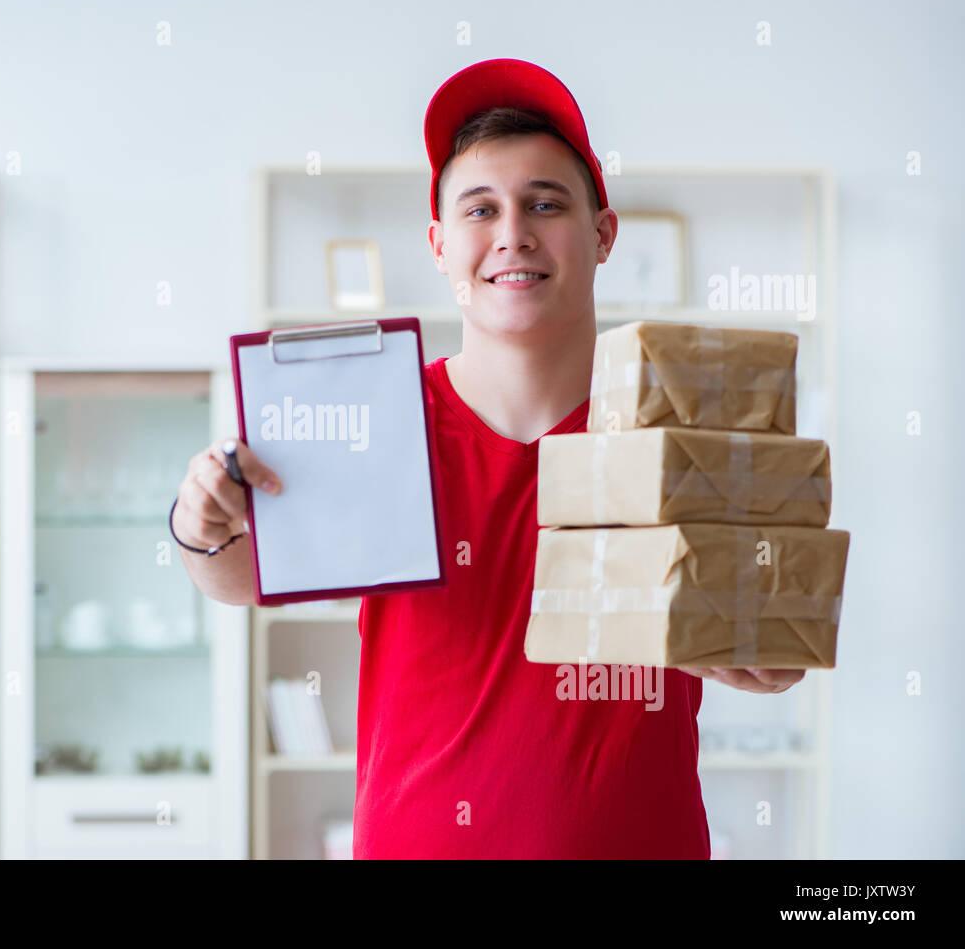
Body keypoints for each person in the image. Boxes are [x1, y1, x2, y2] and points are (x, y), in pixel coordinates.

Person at [170, 58, 803, 858]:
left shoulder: (678, 427)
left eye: (546, 202)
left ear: (603, 234)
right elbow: (246, 573)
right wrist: (201, 522)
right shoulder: (379, 421)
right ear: (438, 244)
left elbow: (773, 639)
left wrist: (763, 651)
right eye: (481, 208)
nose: (513, 232)